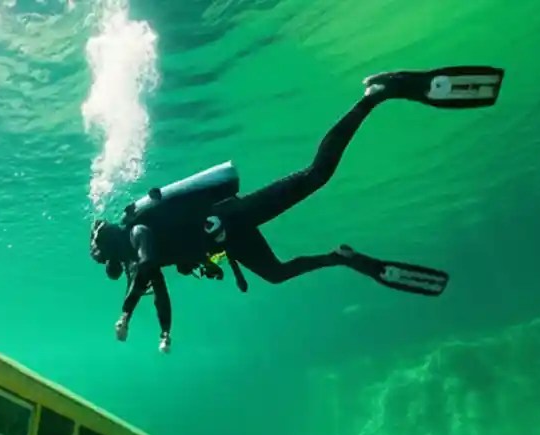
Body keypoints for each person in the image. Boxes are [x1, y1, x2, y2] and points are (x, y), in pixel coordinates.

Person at [89, 65, 506, 353]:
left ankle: (374, 96)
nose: (116, 266)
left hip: (236, 217)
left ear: (114, 246)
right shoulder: (140, 254)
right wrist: (164, 333)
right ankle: (341, 257)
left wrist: (125, 316)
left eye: (110, 260)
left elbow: (147, 266)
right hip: (231, 240)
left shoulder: (139, 234)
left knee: (315, 175)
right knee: (276, 274)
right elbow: (157, 290)